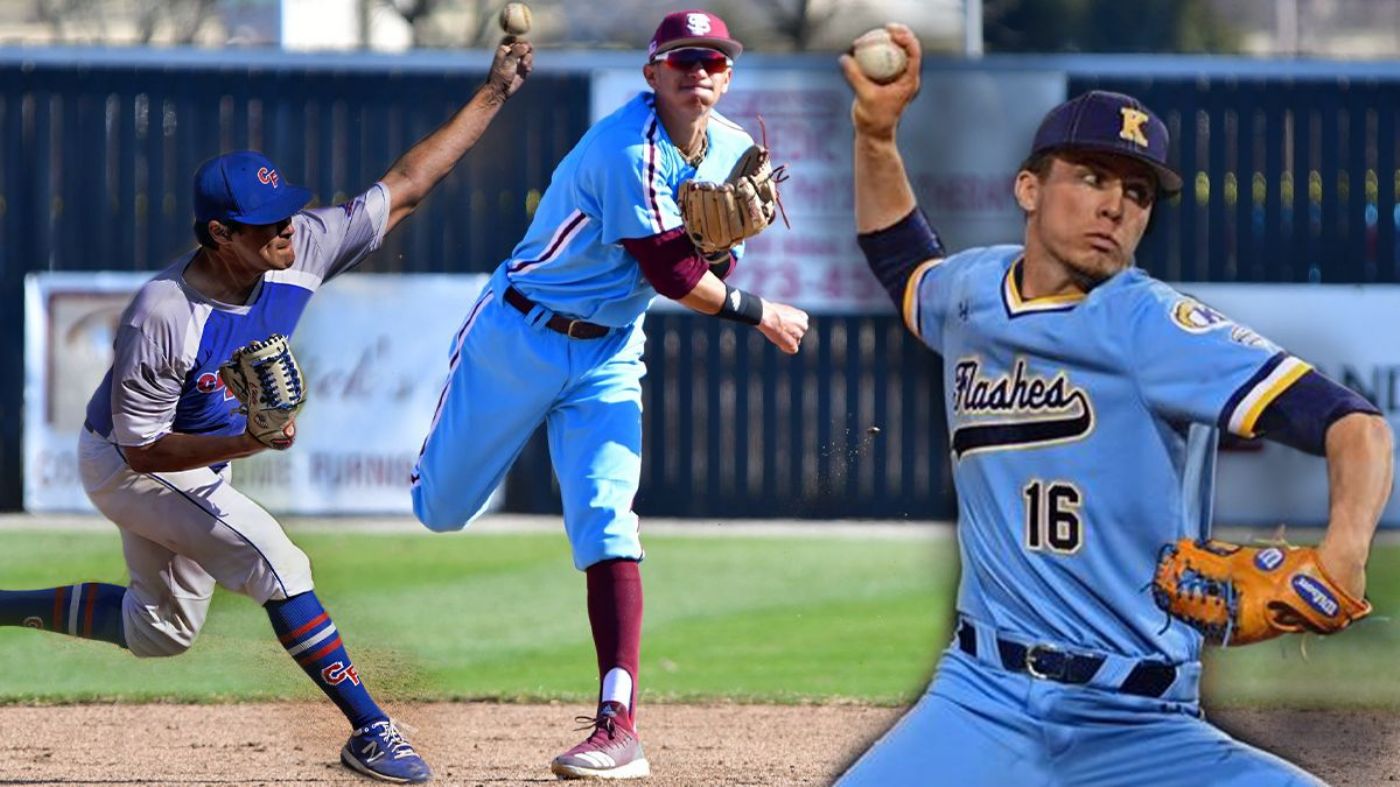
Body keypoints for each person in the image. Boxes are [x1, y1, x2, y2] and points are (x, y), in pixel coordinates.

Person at [835, 25, 1394, 786]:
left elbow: (1353, 424)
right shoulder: (970, 294)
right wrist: (875, 131)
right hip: (981, 701)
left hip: (1139, 725)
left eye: (1136, 193)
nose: (1116, 207)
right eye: (1092, 177)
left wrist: (1345, 553)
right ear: (1028, 188)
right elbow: (901, 258)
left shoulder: (1154, 326)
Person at [0, 39, 534, 784]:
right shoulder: (166, 312)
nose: (287, 228)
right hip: (128, 463)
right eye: (266, 223)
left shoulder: (303, 246)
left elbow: (408, 185)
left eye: (286, 211)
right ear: (219, 234)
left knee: (159, 632)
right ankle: (373, 730)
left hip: (189, 459)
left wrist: (494, 92)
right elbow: (145, 450)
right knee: (277, 560)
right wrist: (250, 443)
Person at [409, 9, 809, 781]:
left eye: (714, 62)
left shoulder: (732, 150)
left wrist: (730, 250)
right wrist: (761, 311)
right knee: (443, 511)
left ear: (728, 76)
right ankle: (444, 467)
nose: (700, 73)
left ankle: (617, 725)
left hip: (610, 353)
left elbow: (712, 254)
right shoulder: (624, 149)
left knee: (606, 518)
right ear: (652, 72)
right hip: (519, 335)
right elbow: (675, 276)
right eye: (683, 60)